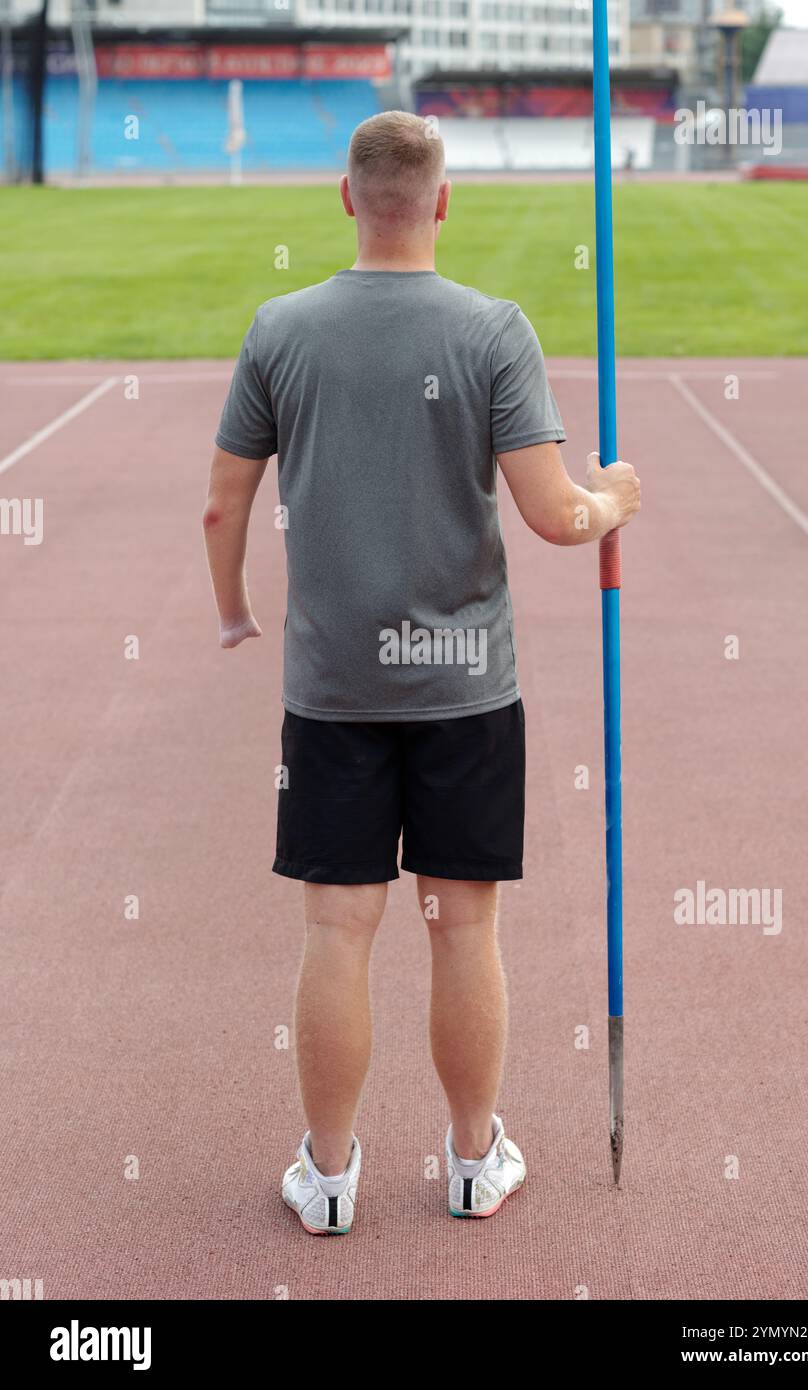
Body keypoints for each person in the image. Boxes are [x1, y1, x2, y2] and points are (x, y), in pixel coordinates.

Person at [203, 110, 641, 1236]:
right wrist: (614, 501)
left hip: (333, 689)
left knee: (337, 930)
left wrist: (234, 614)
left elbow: (223, 502)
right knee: (461, 926)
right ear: (441, 201)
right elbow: (557, 518)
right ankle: (468, 1159)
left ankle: (332, 1175)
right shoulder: (492, 330)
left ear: (347, 199)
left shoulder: (279, 326)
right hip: (463, 691)